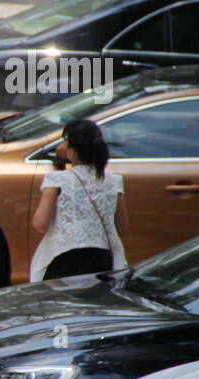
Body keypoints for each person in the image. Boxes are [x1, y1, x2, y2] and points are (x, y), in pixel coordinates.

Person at [30, 119, 127, 281]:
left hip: (63, 259)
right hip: (101, 259)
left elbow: (40, 224)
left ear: (73, 152)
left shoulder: (56, 179)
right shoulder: (114, 181)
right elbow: (121, 227)